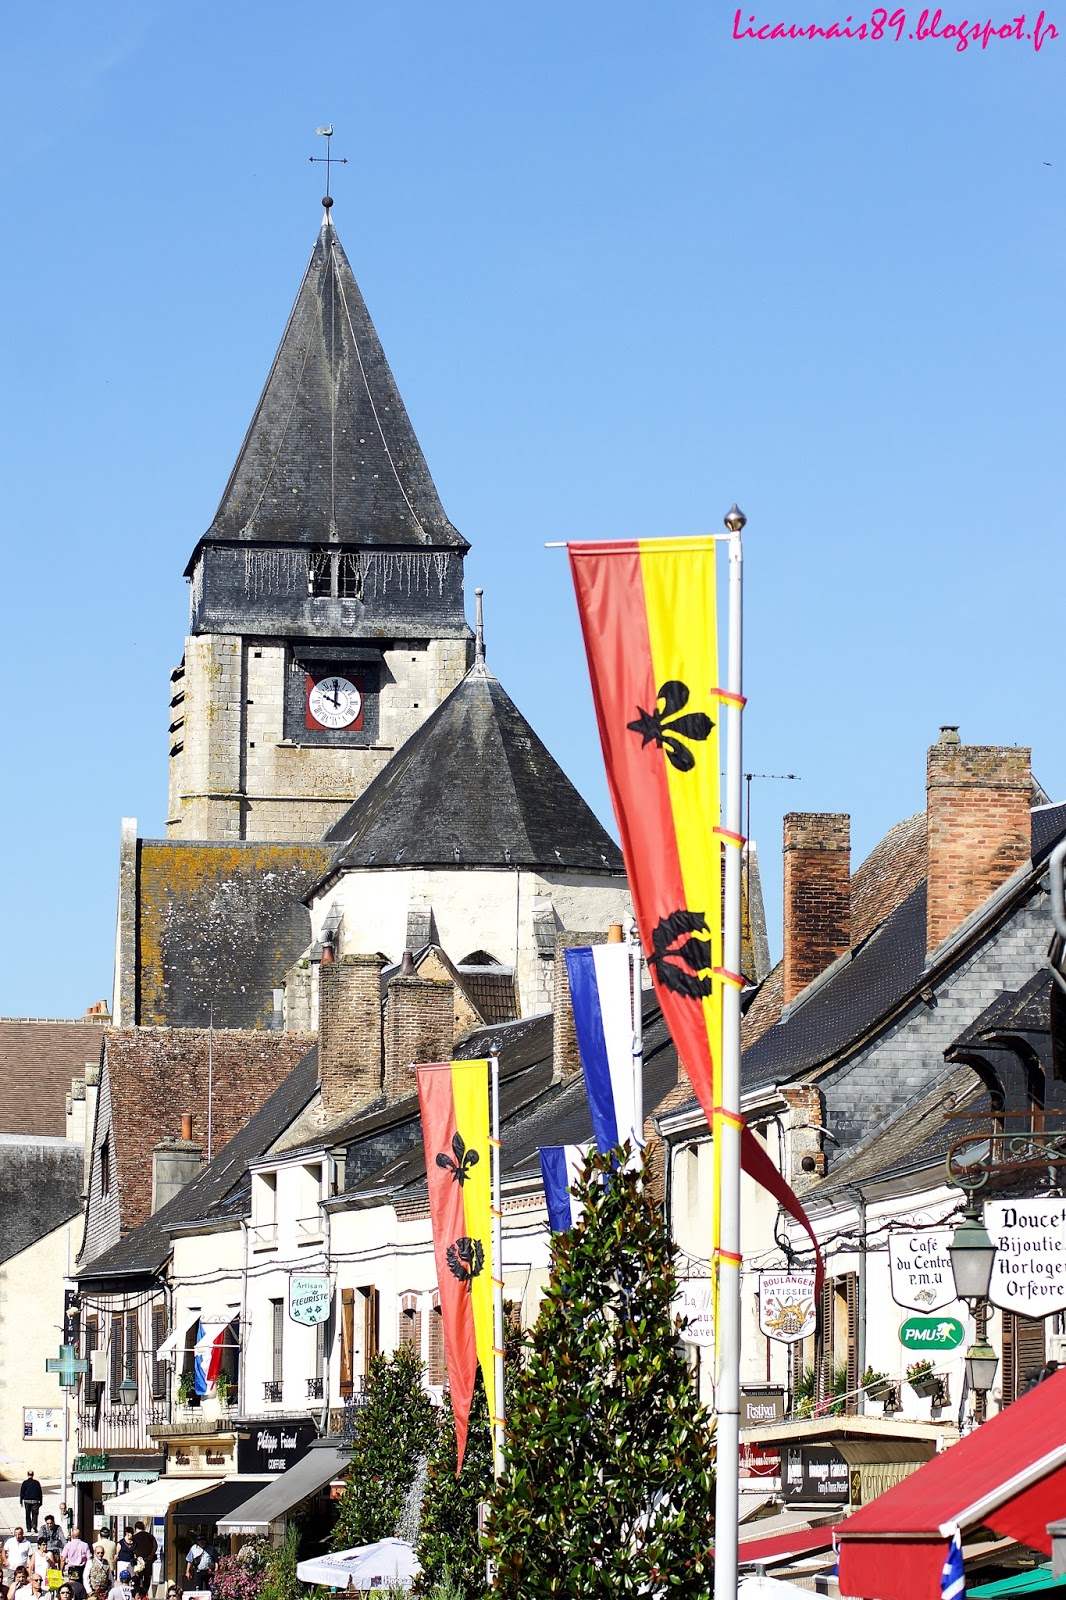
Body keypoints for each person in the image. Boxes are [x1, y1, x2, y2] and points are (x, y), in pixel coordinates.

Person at [128, 1531, 155, 1600]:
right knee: (147, 1578)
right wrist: (151, 1556)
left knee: (138, 1578)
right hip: (147, 1561)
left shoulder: (135, 1537)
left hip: (138, 1561)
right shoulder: (149, 1536)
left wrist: (135, 1556)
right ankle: (144, 1593)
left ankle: (138, 1594)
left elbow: (131, 1547)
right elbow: (155, 1546)